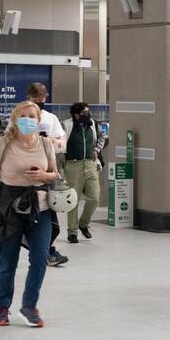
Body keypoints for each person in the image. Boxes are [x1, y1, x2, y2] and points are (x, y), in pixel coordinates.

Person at [0, 101, 59, 328]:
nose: (27, 120)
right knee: (8, 258)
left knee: (40, 258)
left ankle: (29, 305)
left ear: (38, 120)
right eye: (22, 115)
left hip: (40, 206)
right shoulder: (3, 143)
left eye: (32, 116)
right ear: (15, 119)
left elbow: (55, 174)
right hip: (10, 206)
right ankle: (2, 307)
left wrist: (44, 176)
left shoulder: (46, 144)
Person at [25, 83, 70, 268]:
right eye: (36, 97)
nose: (40, 100)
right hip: (25, 175)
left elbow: (62, 143)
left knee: (48, 215)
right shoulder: (20, 117)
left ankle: (48, 251)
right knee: (26, 216)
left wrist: (49, 141)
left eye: (43, 96)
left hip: (47, 174)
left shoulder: (51, 119)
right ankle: (43, 251)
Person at [61, 102, 105, 244]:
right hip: (73, 165)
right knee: (73, 199)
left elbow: (102, 138)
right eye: (84, 113)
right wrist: (59, 167)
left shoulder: (93, 124)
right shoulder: (66, 125)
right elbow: (59, 146)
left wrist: (97, 150)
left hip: (90, 164)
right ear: (76, 115)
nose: (88, 115)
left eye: (88, 112)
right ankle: (72, 231)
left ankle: (83, 223)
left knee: (94, 198)